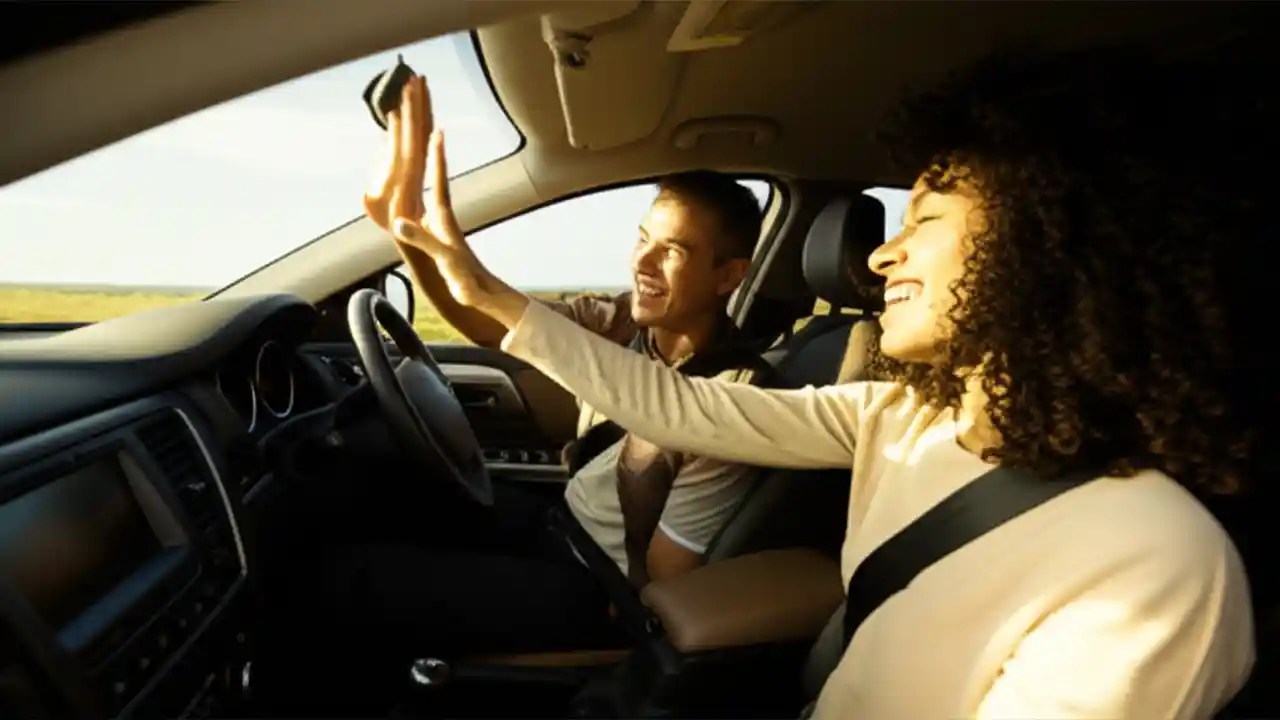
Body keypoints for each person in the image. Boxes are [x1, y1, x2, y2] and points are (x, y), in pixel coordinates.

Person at [375, 45, 1272, 718]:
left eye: (926, 217)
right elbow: (676, 405)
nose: (884, 251)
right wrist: (468, 281)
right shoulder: (897, 418)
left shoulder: (1155, 562)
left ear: (1049, 248)